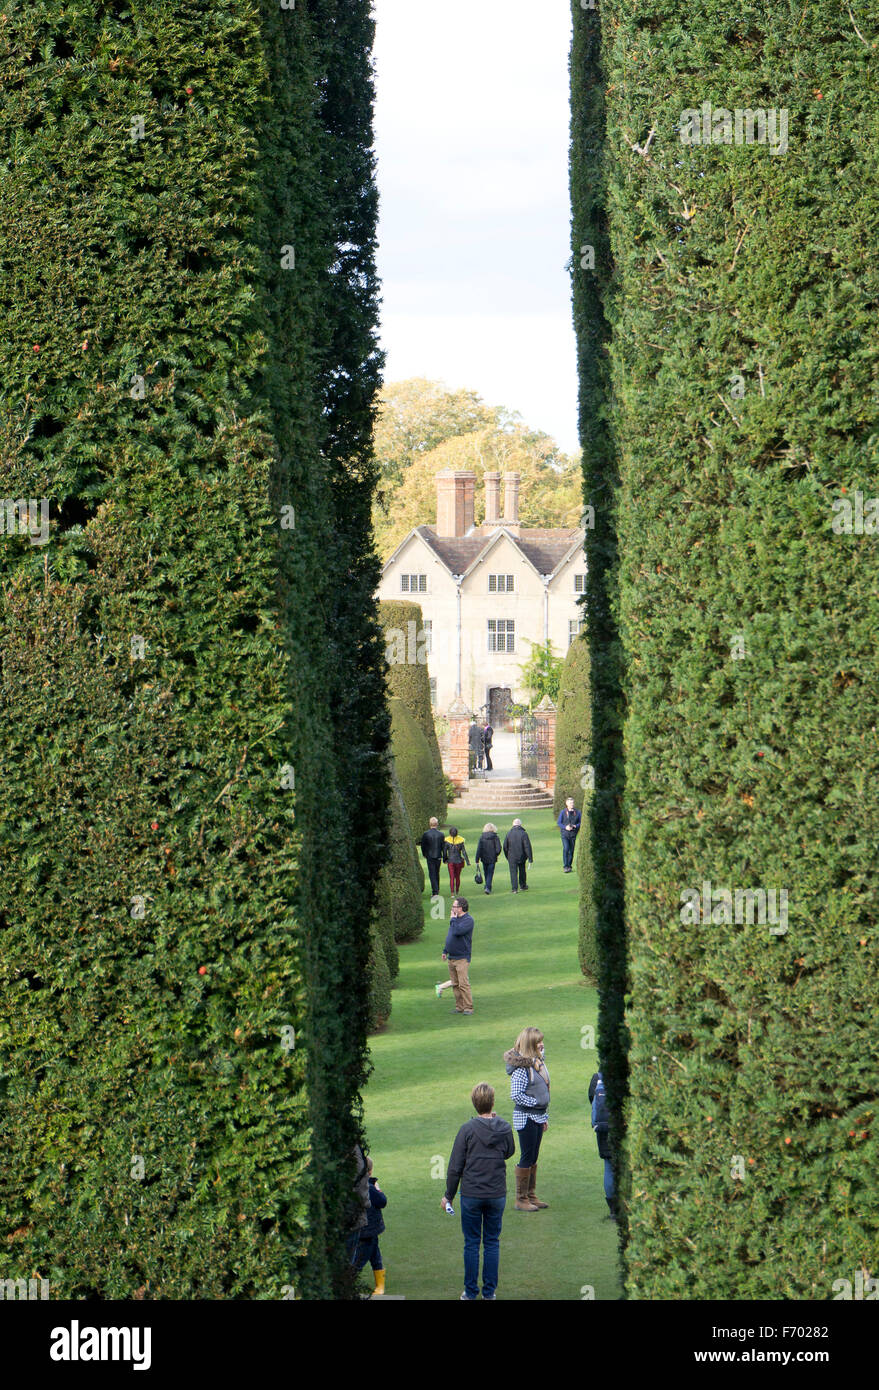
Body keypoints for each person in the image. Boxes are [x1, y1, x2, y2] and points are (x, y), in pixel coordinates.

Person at [442, 1082, 515, 1300]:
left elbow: (455, 1167)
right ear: (492, 1102)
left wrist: (448, 1195)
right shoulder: (504, 1127)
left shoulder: (467, 1130)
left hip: (472, 1194)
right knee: (492, 1242)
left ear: (474, 1104)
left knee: (472, 1243)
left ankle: (471, 1292)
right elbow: (510, 1151)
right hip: (496, 1193)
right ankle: (489, 1293)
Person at [503, 1027, 550, 1211]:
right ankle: (521, 1199)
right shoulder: (522, 1069)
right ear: (530, 1045)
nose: (542, 1044)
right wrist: (536, 1102)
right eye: (538, 1041)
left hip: (537, 1117)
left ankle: (530, 1195)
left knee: (534, 1156)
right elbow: (516, 1095)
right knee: (527, 1156)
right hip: (526, 1117)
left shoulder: (537, 1063)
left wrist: (543, 1115)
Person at [352, 1155, 389, 1294]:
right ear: (370, 1171)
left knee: (371, 1255)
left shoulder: (359, 1183)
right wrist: (378, 1190)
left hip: (367, 1229)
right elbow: (382, 1201)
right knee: (366, 1256)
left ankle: (379, 1286)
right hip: (369, 1228)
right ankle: (376, 1284)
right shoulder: (369, 1186)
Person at [589, 1071, 616, 1220]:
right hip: (626, 1126)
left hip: (604, 1128)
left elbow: (591, 1098)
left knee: (609, 1166)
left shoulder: (598, 1077)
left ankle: (613, 1210)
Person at [442, 896, 474, 1014]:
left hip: (462, 958)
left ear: (460, 908)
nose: (452, 909)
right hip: (451, 957)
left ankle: (468, 1008)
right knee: (455, 984)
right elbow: (450, 936)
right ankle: (459, 1007)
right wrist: (445, 951)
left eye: (454, 906)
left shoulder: (468, 920)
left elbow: (457, 932)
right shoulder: (454, 920)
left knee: (463, 984)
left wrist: (453, 919)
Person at [502, 818, 533, 893]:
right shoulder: (523, 833)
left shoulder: (509, 833)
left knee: (513, 873)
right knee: (522, 871)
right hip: (522, 856)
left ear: (513, 825)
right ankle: (523, 885)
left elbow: (505, 846)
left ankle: (514, 889)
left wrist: (507, 856)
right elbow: (527, 846)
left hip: (511, 857)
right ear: (520, 825)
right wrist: (530, 858)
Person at [419, 816, 445, 897]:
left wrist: (424, 854)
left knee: (432, 874)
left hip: (430, 856)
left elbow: (423, 846)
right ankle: (437, 889)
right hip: (438, 856)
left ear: (429, 824)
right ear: (437, 824)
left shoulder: (426, 834)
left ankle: (435, 891)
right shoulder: (441, 834)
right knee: (437, 873)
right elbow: (443, 847)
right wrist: (444, 857)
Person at [474, 823, 502, 895]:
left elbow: (479, 849)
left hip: (484, 858)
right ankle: (488, 887)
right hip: (492, 858)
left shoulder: (482, 837)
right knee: (490, 873)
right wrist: (495, 854)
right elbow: (498, 849)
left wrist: (477, 859)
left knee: (486, 872)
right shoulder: (495, 837)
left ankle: (487, 886)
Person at [557, 796, 581, 873]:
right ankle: (565, 866)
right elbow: (559, 823)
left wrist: (575, 826)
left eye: (573, 803)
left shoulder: (578, 812)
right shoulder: (563, 812)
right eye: (570, 803)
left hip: (573, 834)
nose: (572, 804)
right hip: (565, 834)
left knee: (571, 851)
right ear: (566, 804)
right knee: (566, 848)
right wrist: (565, 827)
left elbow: (580, 822)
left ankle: (569, 866)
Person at [443, 825, 470, 894]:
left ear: (450, 833)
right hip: (459, 861)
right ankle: (457, 891)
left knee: (452, 877)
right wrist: (467, 862)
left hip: (450, 862)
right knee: (457, 877)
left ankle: (452, 893)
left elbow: (445, 852)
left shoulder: (447, 841)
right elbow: (464, 852)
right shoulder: (461, 841)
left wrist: (445, 860)